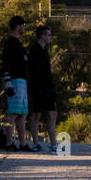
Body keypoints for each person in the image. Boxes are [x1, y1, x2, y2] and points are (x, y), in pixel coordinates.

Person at [1, 15, 32, 151]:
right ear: (18, 26)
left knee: (22, 113)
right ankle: (9, 143)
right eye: (22, 25)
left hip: (22, 80)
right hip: (14, 80)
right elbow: (6, 63)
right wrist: (7, 82)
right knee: (12, 113)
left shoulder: (18, 42)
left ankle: (23, 143)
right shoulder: (10, 42)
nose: (24, 27)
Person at [27, 23, 58, 153]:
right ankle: (35, 142)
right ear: (42, 35)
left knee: (52, 113)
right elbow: (32, 69)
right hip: (38, 87)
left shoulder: (45, 50)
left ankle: (54, 144)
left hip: (48, 87)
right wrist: (35, 86)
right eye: (49, 35)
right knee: (36, 114)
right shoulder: (34, 50)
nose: (50, 37)